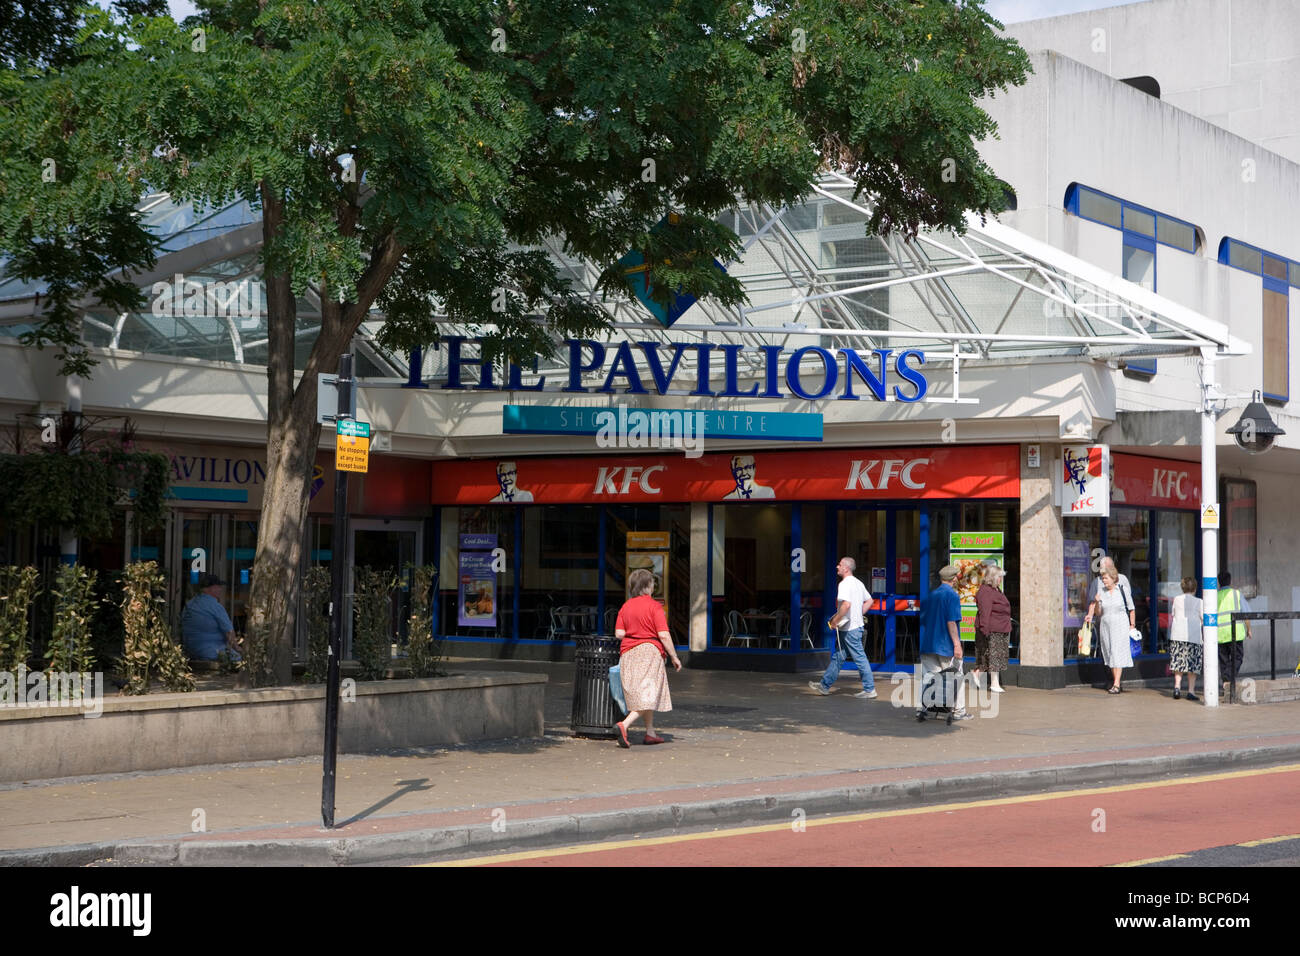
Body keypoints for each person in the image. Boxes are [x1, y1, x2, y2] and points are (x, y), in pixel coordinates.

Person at [613, 568, 682, 747]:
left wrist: (634, 631)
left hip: (628, 653)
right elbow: (664, 635)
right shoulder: (654, 606)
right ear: (646, 586)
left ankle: (650, 732)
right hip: (649, 651)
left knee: (643, 692)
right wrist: (674, 656)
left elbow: (619, 633)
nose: (653, 586)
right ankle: (624, 725)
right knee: (649, 693)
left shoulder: (626, 606)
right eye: (652, 583)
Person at [807, 556, 876, 698]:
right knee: (838, 656)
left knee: (859, 658)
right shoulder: (858, 583)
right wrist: (858, 614)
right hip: (854, 627)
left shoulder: (844, 584)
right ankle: (824, 686)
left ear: (846, 568)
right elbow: (869, 601)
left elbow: (846, 605)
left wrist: (834, 621)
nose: (837, 567)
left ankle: (870, 689)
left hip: (850, 629)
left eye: (839, 565)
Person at [917, 564, 971, 719]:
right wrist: (956, 644)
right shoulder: (952, 596)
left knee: (928, 677)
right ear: (954, 578)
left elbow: (924, 620)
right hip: (945, 645)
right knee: (956, 676)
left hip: (928, 643)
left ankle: (923, 709)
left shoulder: (931, 595)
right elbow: (951, 622)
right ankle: (958, 711)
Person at [1090, 568, 1134, 693]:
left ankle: (1116, 684)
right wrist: (1097, 602)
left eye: (1106, 578)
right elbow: (1098, 613)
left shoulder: (1122, 590)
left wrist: (1132, 625)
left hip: (1120, 624)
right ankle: (1117, 683)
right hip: (1105, 626)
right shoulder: (1101, 592)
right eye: (1102, 578)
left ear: (1113, 578)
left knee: (1117, 652)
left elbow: (1131, 608)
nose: (1103, 581)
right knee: (1110, 653)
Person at [181, 573, 241, 661]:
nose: (220, 589)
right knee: (238, 658)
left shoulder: (190, 604)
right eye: (218, 586)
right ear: (211, 588)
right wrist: (237, 648)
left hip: (190, 650)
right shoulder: (215, 605)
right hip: (212, 651)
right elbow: (229, 631)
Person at [973, 564, 1011, 693]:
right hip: (992, 630)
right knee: (993, 656)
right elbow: (985, 612)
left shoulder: (995, 590)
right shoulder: (985, 591)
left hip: (1000, 628)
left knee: (995, 656)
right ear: (993, 577)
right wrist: (985, 630)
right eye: (999, 577)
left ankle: (977, 674)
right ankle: (994, 683)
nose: (1001, 579)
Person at [1169, 576, 1203, 701]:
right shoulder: (1199, 601)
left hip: (1178, 635)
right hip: (1193, 636)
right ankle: (1191, 691)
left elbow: (1173, 614)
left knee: (1178, 662)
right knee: (1192, 665)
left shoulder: (1176, 599)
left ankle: (1177, 687)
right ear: (1195, 588)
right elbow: (1203, 618)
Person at [1216, 571, 1252, 686]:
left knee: (1224, 661)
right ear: (1230, 581)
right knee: (1237, 658)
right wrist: (1249, 629)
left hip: (1220, 634)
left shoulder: (1214, 596)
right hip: (1235, 633)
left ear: (1218, 582)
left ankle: (1226, 684)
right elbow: (1245, 614)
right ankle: (1227, 678)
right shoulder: (1236, 594)